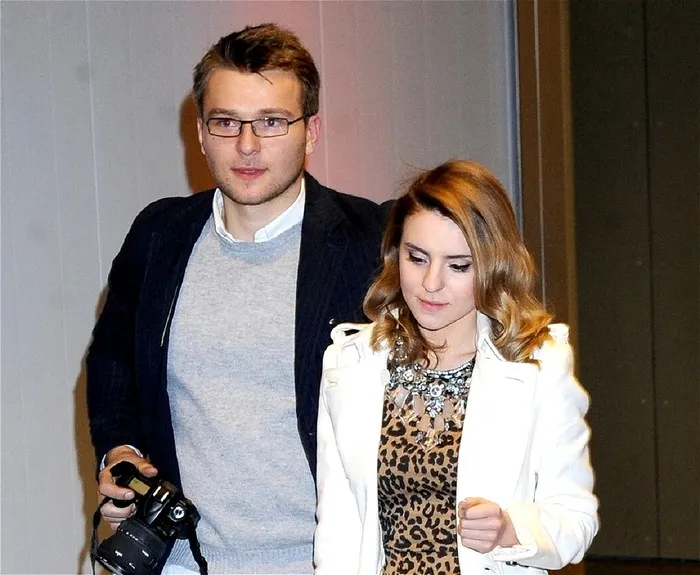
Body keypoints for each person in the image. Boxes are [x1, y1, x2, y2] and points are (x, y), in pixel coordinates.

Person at [86, 23, 386, 574]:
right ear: (200, 133)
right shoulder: (158, 235)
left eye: (271, 122)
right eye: (226, 122)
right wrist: (121, 449)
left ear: (311, 131)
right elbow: (113, 359)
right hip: (183, 562)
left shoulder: (374, 241)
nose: (247, 146)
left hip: (326, 561)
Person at [314, 159, 599, 575]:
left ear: (493, 265)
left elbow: (576, 519)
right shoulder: (350, 362)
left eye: (458, 265)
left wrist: (511, 530)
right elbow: (337, 530)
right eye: (417, 258)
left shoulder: (539, 365)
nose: (431, 283)